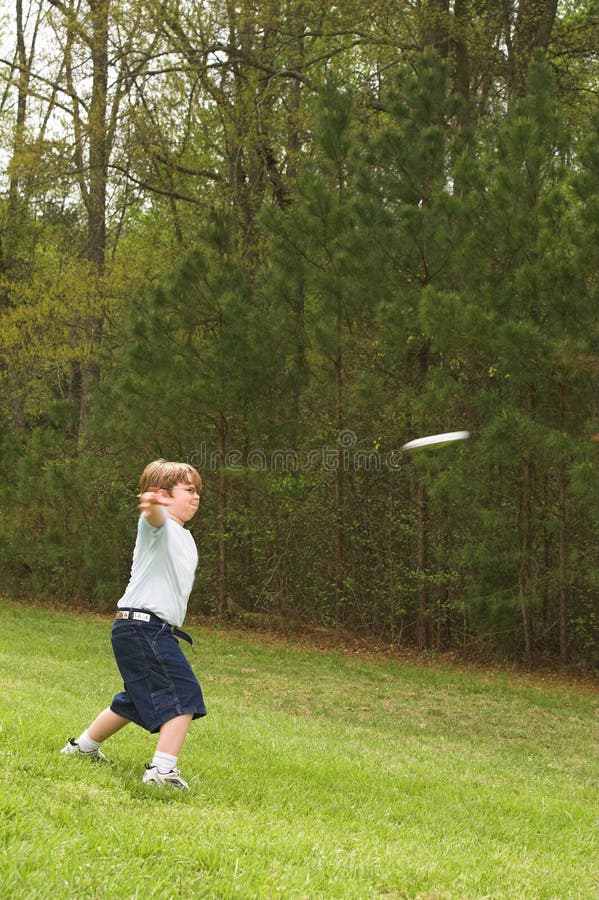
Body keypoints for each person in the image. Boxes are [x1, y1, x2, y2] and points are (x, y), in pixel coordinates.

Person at [60, 459, 207, 789]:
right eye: (189, 489)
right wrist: (152, 507)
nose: (196, 496)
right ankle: (161, 772)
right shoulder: (159, 526)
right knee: (184, 693)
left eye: (198, 490)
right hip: (143, 627)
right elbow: (153, 519)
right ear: (163, 495)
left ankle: (82, 748)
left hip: (139, 628)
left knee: (138, 698)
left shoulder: (184, 536)